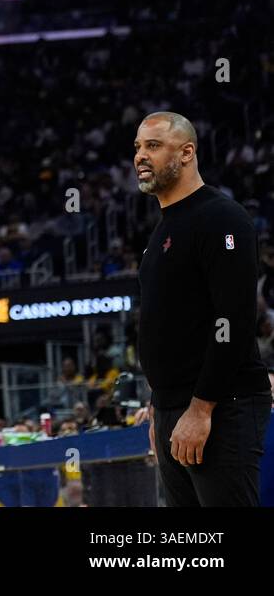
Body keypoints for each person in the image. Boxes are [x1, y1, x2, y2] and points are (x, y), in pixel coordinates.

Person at [132, 111, 270, 506]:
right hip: (175, 409)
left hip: (221, 407)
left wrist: (200, 409)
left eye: (154, 146)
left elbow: (235, 319)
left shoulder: (222, 217)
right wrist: (160, 408)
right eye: (138, 147)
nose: (141, 156)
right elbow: (169, 327)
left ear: (187, 152)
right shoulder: (160, 233)